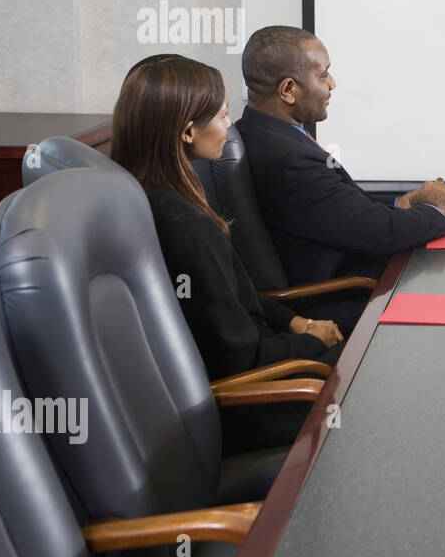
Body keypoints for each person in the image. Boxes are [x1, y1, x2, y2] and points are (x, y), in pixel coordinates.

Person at [110, 54, 343, 382]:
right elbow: (243, 359)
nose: (229, 126)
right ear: (188, 132)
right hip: (259, 394)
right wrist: (311, 341)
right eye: (223, 114)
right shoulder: (190, 228)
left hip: (261, 362)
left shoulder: (141, 197)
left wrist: (296, 323)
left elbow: (229, 295)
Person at [236, 26, 445, 326]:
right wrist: (432, 207)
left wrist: (401, 202)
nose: (333, 83)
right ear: (288, 90)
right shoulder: (289, 159)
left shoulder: (262, 133)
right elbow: (380, 232)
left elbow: (337, 206)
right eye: (323, 75)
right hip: (345, 302)